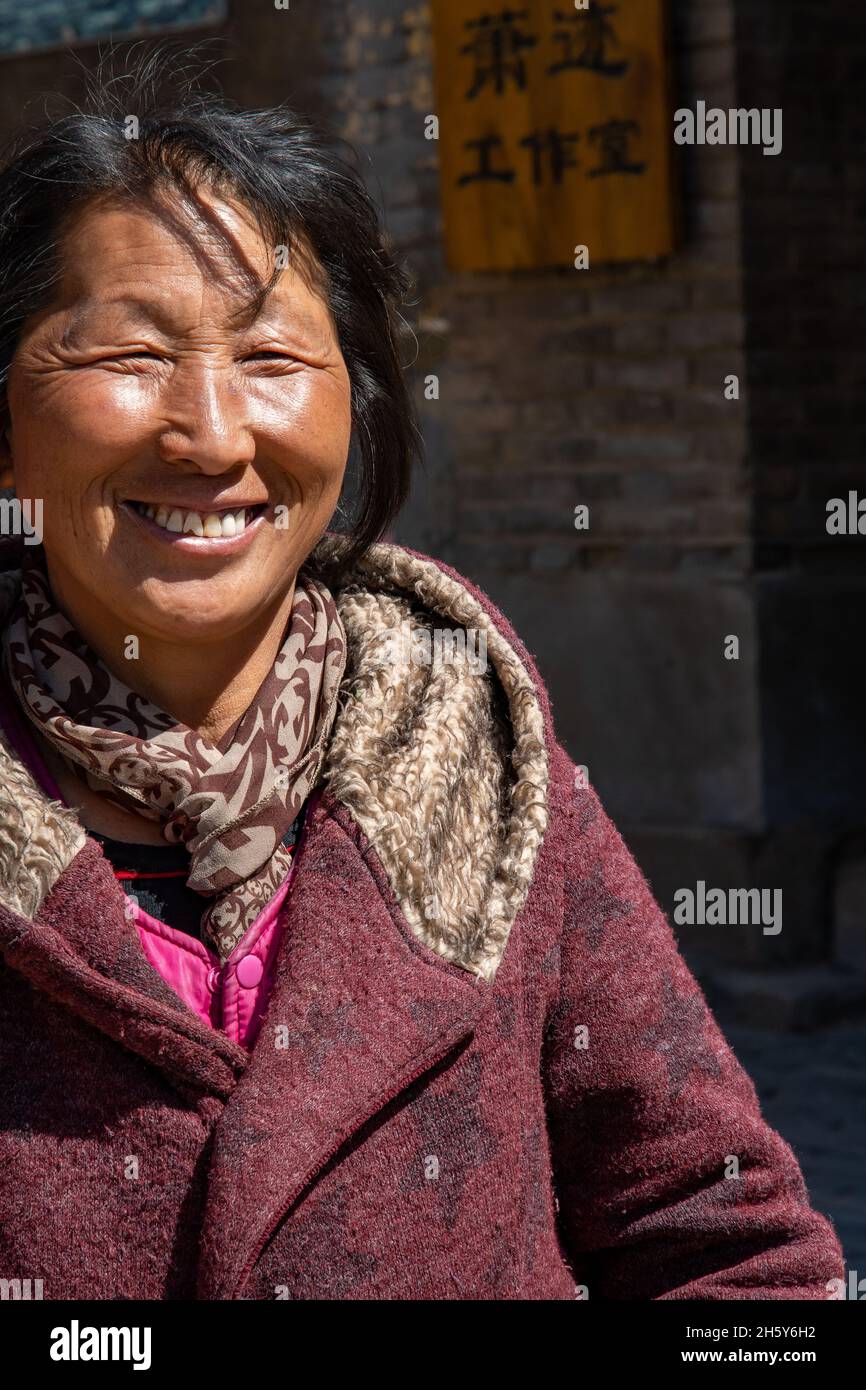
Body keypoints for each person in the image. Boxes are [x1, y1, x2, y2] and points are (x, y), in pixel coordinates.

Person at [0, 57, 843, 1301]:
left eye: (275, 358)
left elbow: (721, 1238)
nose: (215, 432)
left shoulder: (466, 749)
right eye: (129, 352)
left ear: (356, 407)